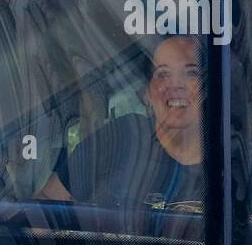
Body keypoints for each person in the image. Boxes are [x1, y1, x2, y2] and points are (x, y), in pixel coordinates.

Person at [64, 35, 206, 213]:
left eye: (192, 73)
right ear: (147, 93)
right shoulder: (118, 138)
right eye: (163, 74)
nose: (176, 85)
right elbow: (44, 206)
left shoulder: (239, 164)